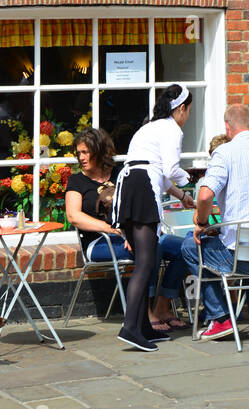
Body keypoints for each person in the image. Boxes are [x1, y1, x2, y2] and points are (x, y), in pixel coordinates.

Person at [181, 103, 249, 341]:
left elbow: (204, 195)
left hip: (240, 259)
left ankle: (220, 318)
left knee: (191, 247)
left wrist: (202, 224)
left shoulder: (226, 153)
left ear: (228, 128)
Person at [64, 126, 188, 334]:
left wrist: (183, 196)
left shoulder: (121, 173)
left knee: (186, 247)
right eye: (79, 153)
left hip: (132, 233)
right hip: (100, 242)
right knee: (151, 248)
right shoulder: (77, 181)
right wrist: (108, 228)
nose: (81, 158)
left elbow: (157, 179)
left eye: (85, 152)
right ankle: (145, 312)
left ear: (99, 150)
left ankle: (163, 305)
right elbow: (73, 216)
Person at [110, 85, 195, 352]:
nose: (188, 116)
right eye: (188, 110)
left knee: (146, 259)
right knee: (146, 263)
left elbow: (158, 171)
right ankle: (131, 328)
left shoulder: (149, 127)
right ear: (181, 108)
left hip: (130, 185)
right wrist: (190, 178)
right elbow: (170, 169)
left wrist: (181, 195)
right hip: (143, 188)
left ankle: (144, 327)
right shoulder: (172, 129)